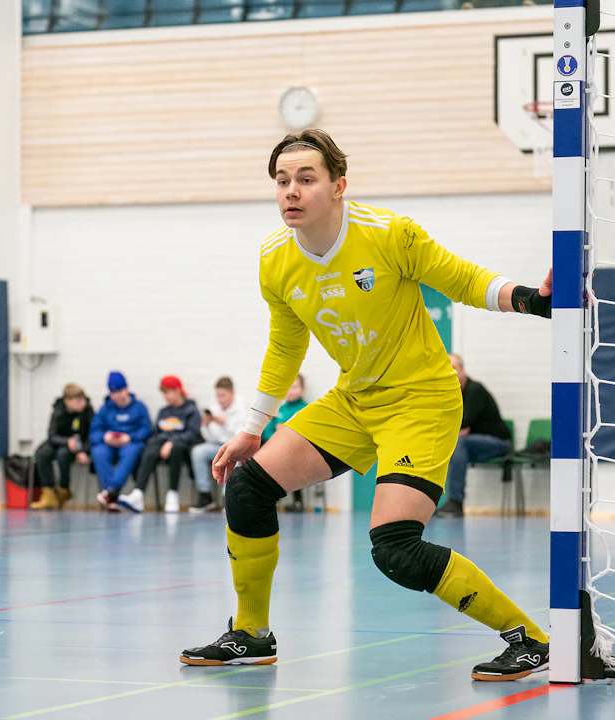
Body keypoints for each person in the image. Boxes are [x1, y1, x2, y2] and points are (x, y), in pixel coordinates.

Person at [179, 130, 553, 682]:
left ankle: (531, 639)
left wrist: (530, 299)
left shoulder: (389, 234)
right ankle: (251, 634)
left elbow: (462, 279)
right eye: (282, 181)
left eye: (306, 179)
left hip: (421, 401)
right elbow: (286, 344)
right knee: (248, 484)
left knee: (395, 549)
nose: (292, 191)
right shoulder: (275, 259)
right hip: (355, 398)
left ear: (339, 186)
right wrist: (252, 428)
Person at [434, 354, 513, 519]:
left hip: (498, 442)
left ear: (462, 370)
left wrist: (459, 428)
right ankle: (437, 501)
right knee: (450, 446)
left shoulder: (475, 390)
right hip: (472, 444)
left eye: (454, 368)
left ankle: (455, 501)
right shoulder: (449, 393)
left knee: (458, 442)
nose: (451, 372)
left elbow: (463, 421)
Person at [119, 375, 202, 514]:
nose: (165, 396)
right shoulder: (164, 412)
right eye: (163, 393)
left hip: (182, 447)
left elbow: (193, 434)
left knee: (176, 449)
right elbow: (157, 432)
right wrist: (162, 442)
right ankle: (138, 493)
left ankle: (172, 494)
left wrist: (172, 442)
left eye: (167, 392)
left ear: (177, 390)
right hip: (163, 445)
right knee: (150, 448)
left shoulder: (191, 410)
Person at [92, 372, 152, 512]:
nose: (117, 396)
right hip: (109, 445)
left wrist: (130, 437)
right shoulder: (105, 409)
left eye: (120, 391)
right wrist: (105, 437)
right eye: (114, 392)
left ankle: (111, 492)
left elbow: (146, 429)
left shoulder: (138, 407)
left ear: (126, 389)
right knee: (98, 451)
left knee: (132, 450)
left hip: (130, 442)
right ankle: (111, 495)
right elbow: (94, 432)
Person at [32, 383, 95, 510]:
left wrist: (83, 451)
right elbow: (52, 435)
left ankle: (63, 491)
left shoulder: (87, 411)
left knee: (63, 454)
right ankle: (48, 492)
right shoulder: (58, 410)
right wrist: (67, 441)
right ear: (67, 401)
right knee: (42, 453)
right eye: (78, 401)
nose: (82, 403)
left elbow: (92, 434)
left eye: (83, 400)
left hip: (77, 445)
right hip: (61, 441)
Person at [189, 377, 246, 514]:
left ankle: (228, 497)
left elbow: (240, 437)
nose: (219, 399)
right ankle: (206, 496)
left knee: (234, 456)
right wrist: (206, 425)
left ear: (232, 393)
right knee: (198, 451)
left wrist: (224, 424)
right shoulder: (214, 408)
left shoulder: (242, 409)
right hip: (217, 446)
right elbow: (210, 438)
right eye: (217, 395)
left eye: (222, 395)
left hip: (234, 447)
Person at [261, 375, 308, 513]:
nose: (290, 391)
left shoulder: (306, 409)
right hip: (275, 447)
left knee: (291, 460)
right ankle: (268, 497)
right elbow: (267, 432)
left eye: (294, 387)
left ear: (302, 390)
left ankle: (298, 501)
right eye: (288, 387)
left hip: (297, 450)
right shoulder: (278, 409)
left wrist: (284, 433)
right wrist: (278, 436)